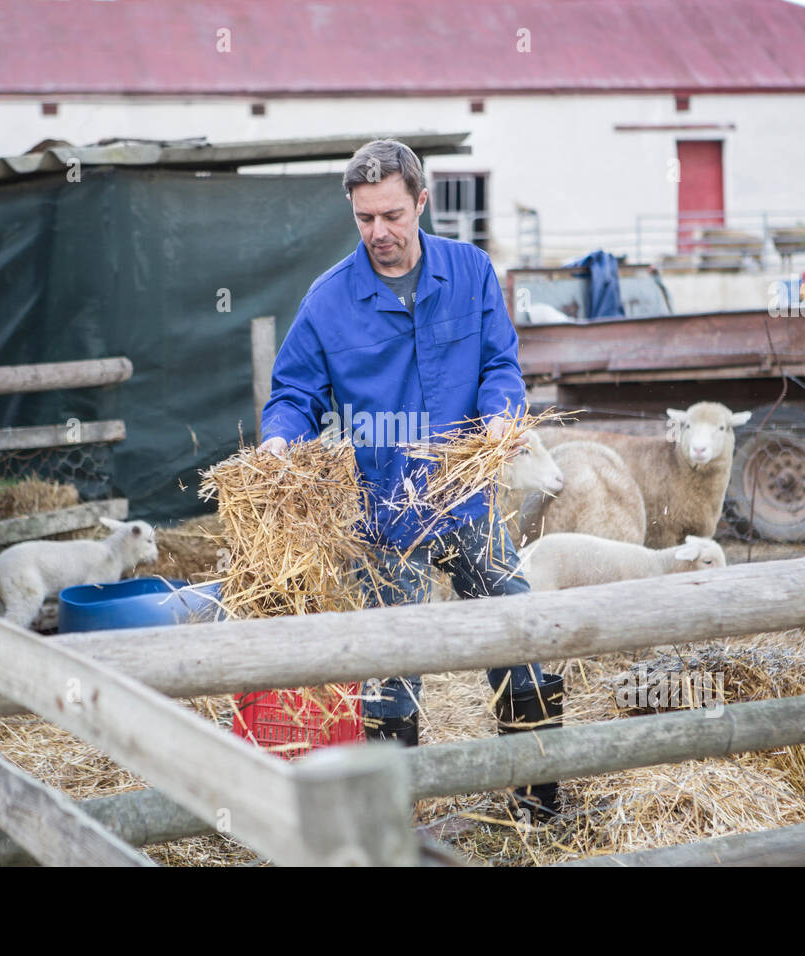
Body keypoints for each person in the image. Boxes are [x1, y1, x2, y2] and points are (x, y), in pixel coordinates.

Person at [258, 139, 563, 818]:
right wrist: (280, 441)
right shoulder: (330, 300)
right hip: (384, 509)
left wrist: (500, 417)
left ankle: (538, 798)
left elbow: (499, 366)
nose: (379, 234)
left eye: (392, 215)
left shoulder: (472, 272)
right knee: (391, 664)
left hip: (468, 499)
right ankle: (393, 819)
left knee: (520, 629)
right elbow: (294, 393)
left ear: (422, 202)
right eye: (365, 218)